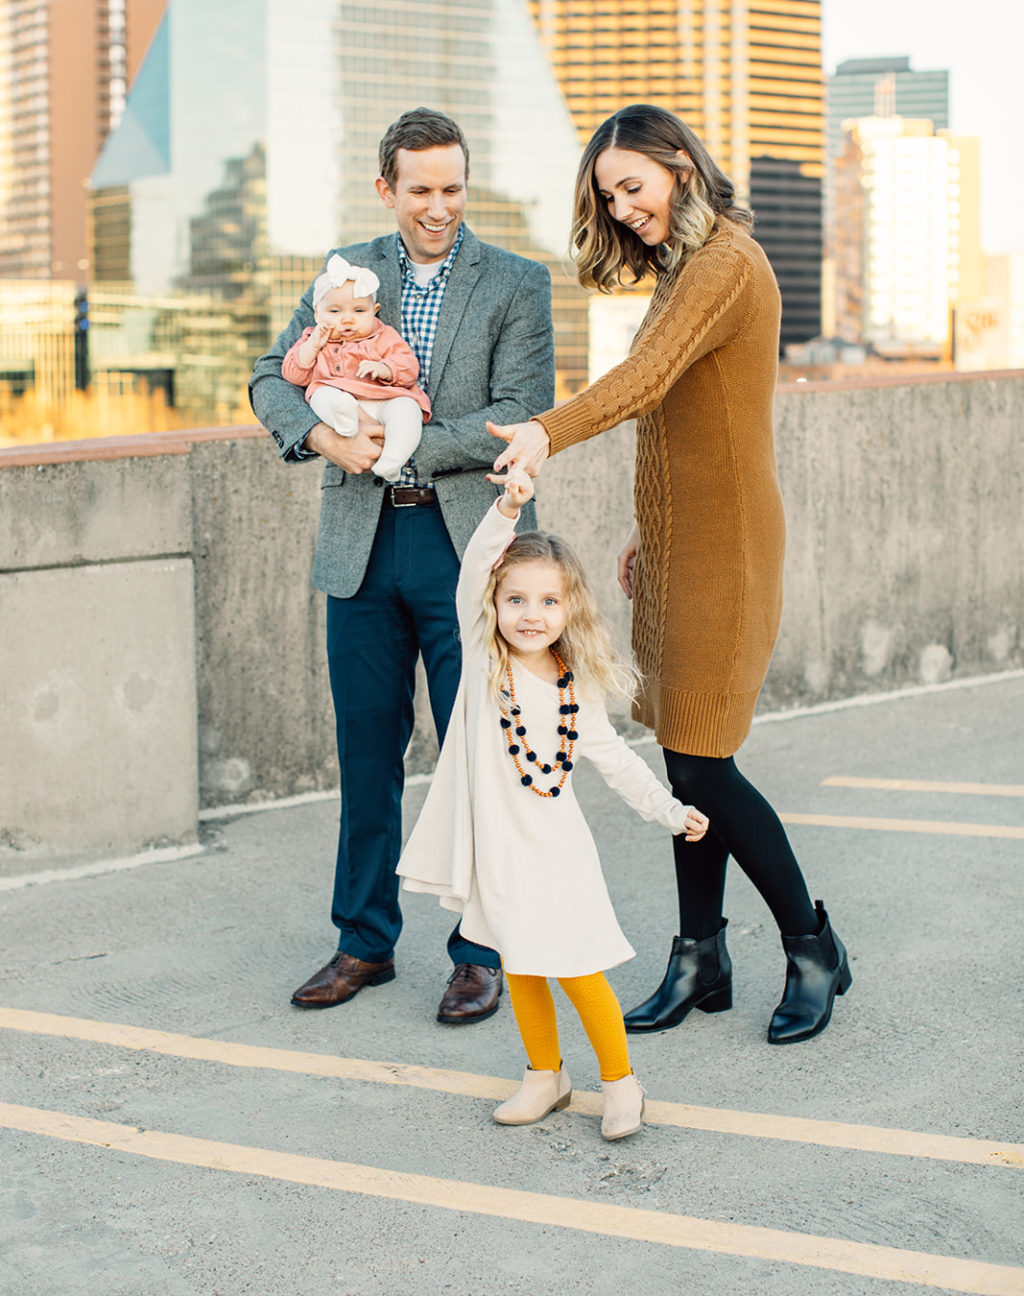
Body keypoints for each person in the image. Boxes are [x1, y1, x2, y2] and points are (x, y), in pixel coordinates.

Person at [488, 103, 850, 1046]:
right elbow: (693, 417)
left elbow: (644, 381)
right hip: (684, 545)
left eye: (632, 186)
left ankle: (812, 946)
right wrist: (652, 529)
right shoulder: (690, 264)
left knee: (705, 767)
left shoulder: (725, 261)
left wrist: (545, 431)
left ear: (681, 166)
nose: (622, 208)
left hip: (727, 551)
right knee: (686, 761)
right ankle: (701, 957)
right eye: (608, 197)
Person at [250, 107, 555, 1024]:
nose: (438, 207)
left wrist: (392, 447)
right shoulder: (344, 272)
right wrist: (321, 437)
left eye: (452, 188)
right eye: (420, 189)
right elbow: (269, 376)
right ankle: (364, 941)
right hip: (361, 547)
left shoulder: (518, 282)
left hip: (468, 550)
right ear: (387, 189)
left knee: (483, 754)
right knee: (367, 752)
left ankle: (481, 950)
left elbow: (516, 413)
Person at [397, 469, 709, 1139]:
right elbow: (474, 568)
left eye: (547, 601)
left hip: (558, 852)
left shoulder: (575, 687)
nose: (530, 614)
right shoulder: (486, 663)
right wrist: (508, 507)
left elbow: (616, 760)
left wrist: (668, 809)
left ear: (571, 610)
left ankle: (621, 1082)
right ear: (494, 604)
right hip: (499, 850)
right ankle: (546, 1076)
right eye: (515, 599)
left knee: (576, 966)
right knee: (521, 963)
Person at [281, 256, 430, 483]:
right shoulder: (313, 340)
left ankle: (393, 459)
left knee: (407, 408)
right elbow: (293, 375)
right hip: (340, 399)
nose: (348, 320)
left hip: (385, 398)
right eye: (335, 312)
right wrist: (312, 346)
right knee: (320, 393)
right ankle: (345, 422)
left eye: (359, 311)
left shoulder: (383, 335)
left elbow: (409, 365)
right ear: (317, 313)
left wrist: (386, 368)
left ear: (374, 311)